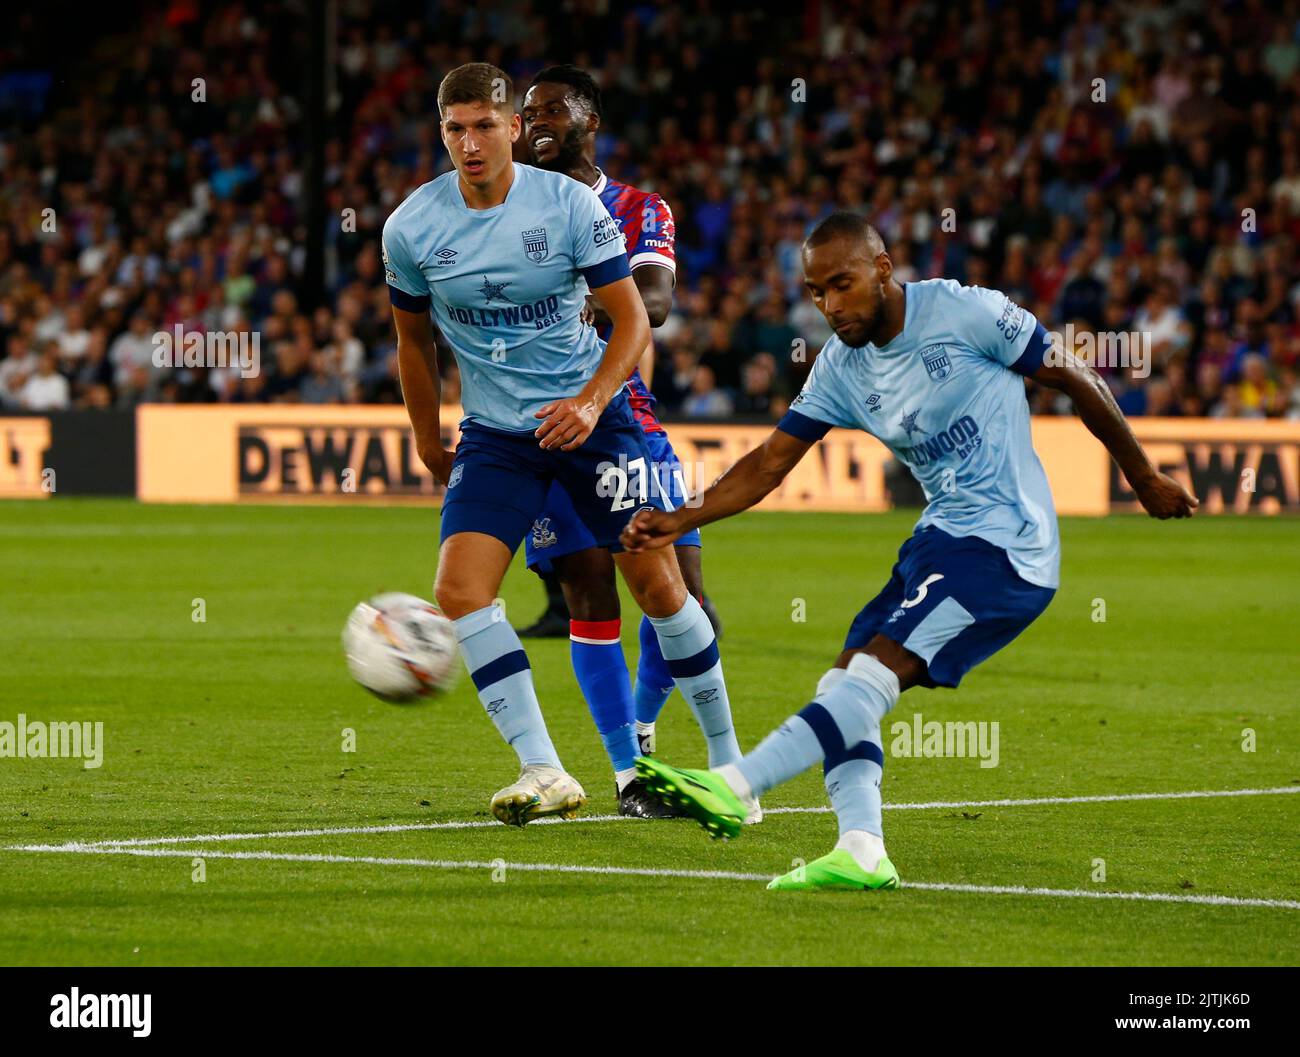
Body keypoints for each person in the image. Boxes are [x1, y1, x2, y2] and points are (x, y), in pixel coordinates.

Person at [622, 212, 1197, 890]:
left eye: (843, 284)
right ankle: (862, 847)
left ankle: (734, 783)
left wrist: (1141, 474)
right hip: (940, 541)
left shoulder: (964, 310)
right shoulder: (840, 366)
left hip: (1006, 547)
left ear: (884, 269)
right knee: (840, 682)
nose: (832, 306)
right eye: (816, 292)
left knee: (874, 675)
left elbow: (1071, 373)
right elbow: (772, 460)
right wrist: (679, 519)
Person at [382, 63, 745, 826]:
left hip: (596, 425)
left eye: (485, 125)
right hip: (499, 435)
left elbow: (637, 318)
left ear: (511, 128)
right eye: (455, 128)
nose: (471, 143)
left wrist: (589, 401)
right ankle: (546, 767)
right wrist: (425, 436)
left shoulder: (574, 206)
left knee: (663, 589)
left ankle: (729, 766)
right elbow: (414, 345)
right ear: (441, 133)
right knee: (462, 592)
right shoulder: (411, 226)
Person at [515, 65, 727, 817]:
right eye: (525, 110)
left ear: (589, 119)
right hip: (536, 424)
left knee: (692, 602)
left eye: (551, 108)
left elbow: (657, 301)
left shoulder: (637, 206)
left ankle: (643, 725)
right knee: (587, 590)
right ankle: (629, 772)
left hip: (626, 418)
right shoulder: (498, 210)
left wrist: (581, 295)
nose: (533, 119)